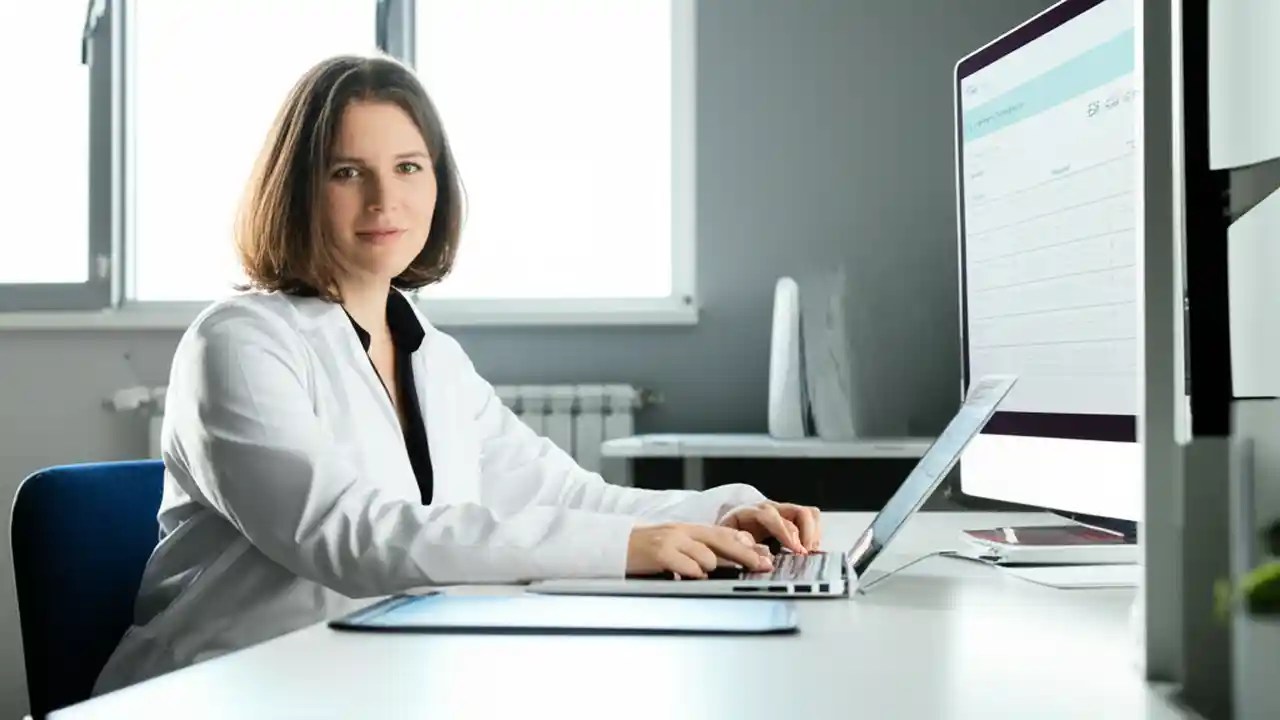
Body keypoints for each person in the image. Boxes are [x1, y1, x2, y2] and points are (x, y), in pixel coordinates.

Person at [93, 53, 821, 695]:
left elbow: (564, 493)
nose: (385, 201)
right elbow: (346, 534)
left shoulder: (429, 352)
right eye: (348, 172)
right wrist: (627, 549)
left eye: (409, 167)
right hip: (221, 690)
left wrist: (719, 513)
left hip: (371, 682)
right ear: (298, 189)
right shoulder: (239, 343)